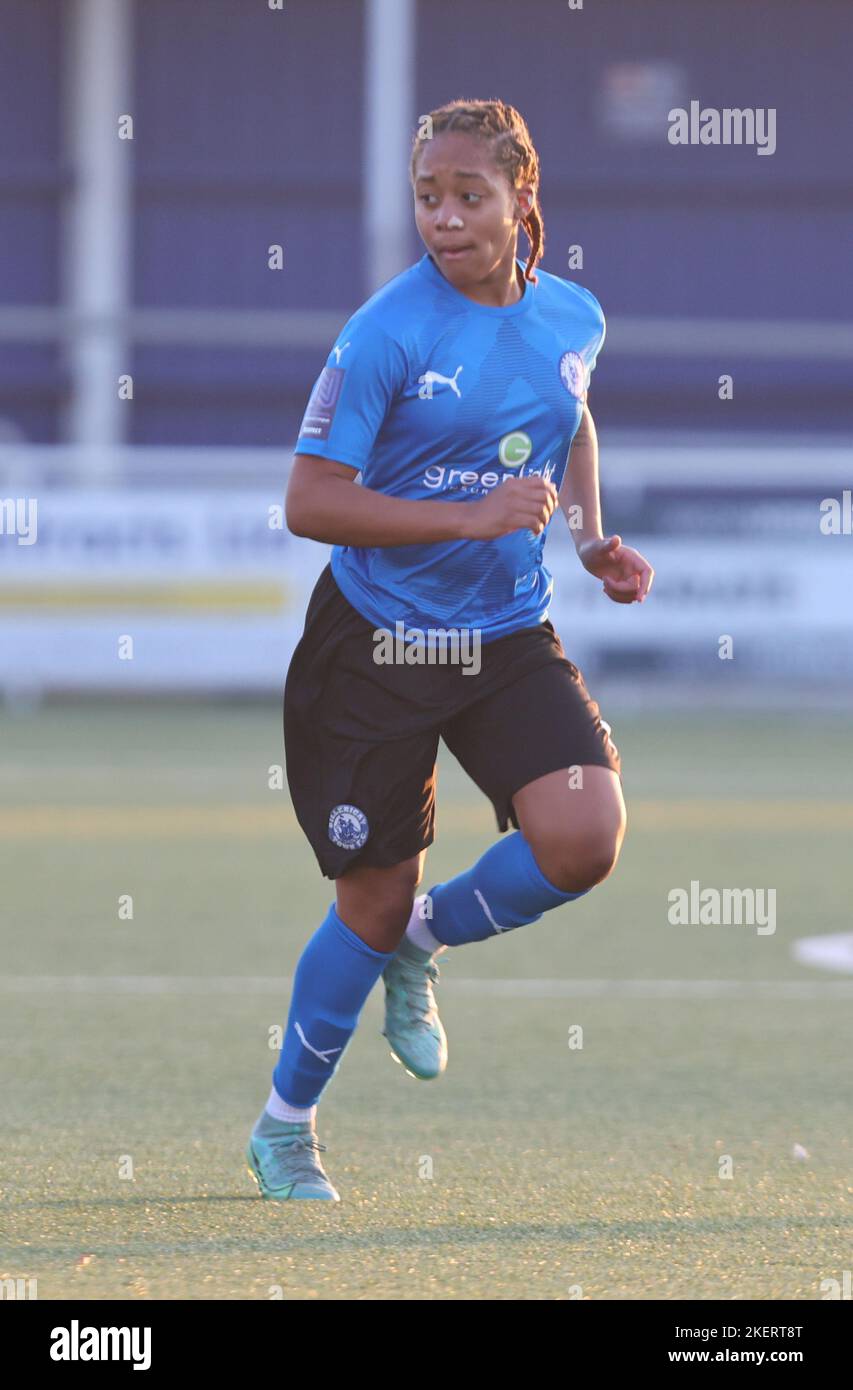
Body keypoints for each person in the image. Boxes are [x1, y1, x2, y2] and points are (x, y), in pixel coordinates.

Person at [246, 99, 653, 1201]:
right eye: (427, 196)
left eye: (467, 196)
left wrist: (590, 537)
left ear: (524, 200)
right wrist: (464, 519)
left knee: (583, 834)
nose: (443, 218)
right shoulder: (387, 330)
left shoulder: (574, 315)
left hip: (505, 631)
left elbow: (569, 416)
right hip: (375, 644)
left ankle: (423, 939)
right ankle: (286, 1126)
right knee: (365, 902)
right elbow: (308, 500)